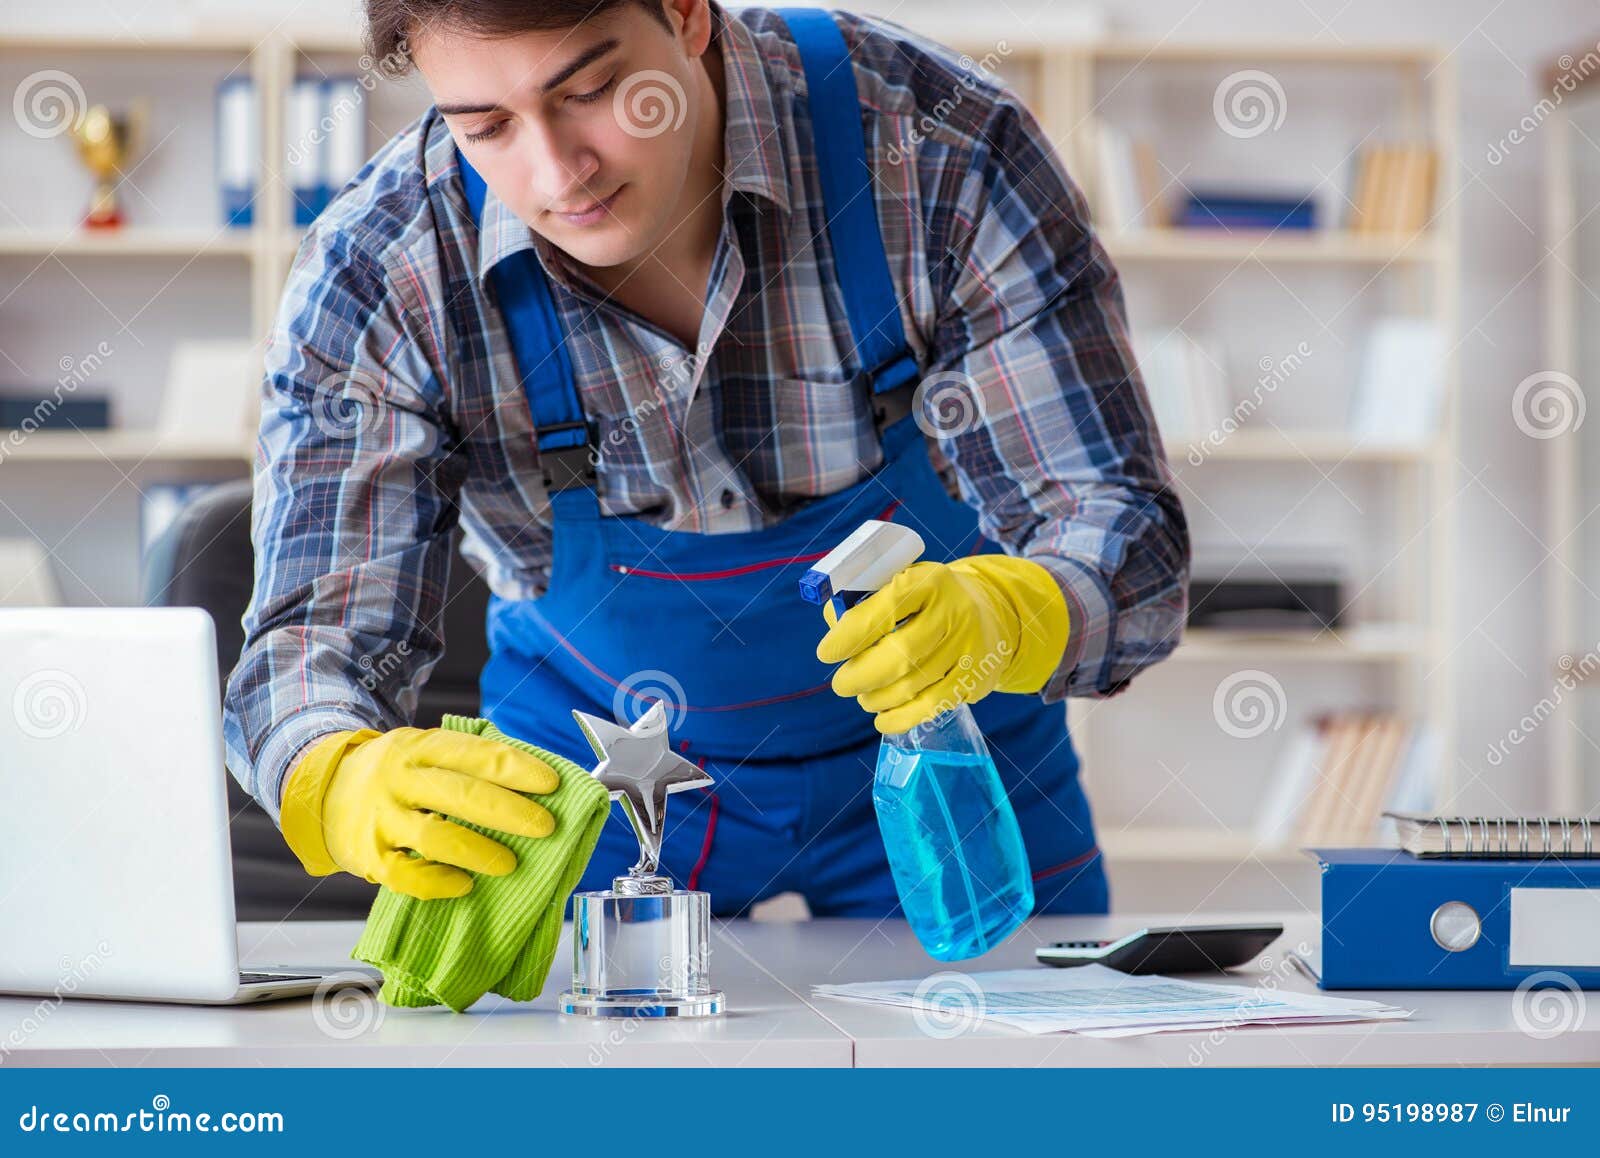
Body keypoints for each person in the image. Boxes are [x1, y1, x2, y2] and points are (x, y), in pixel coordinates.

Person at [222, 0, 1189, 917]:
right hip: (594, 777)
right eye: (487, 128)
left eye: (590, 92)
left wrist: (1012, 615)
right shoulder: (382, 267)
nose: (559, 175)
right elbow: (313, 642)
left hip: (948, 746)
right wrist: (335, 772)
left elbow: (1123, 532)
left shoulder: (938, 149)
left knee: (1014, 1076)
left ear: (685, 11)